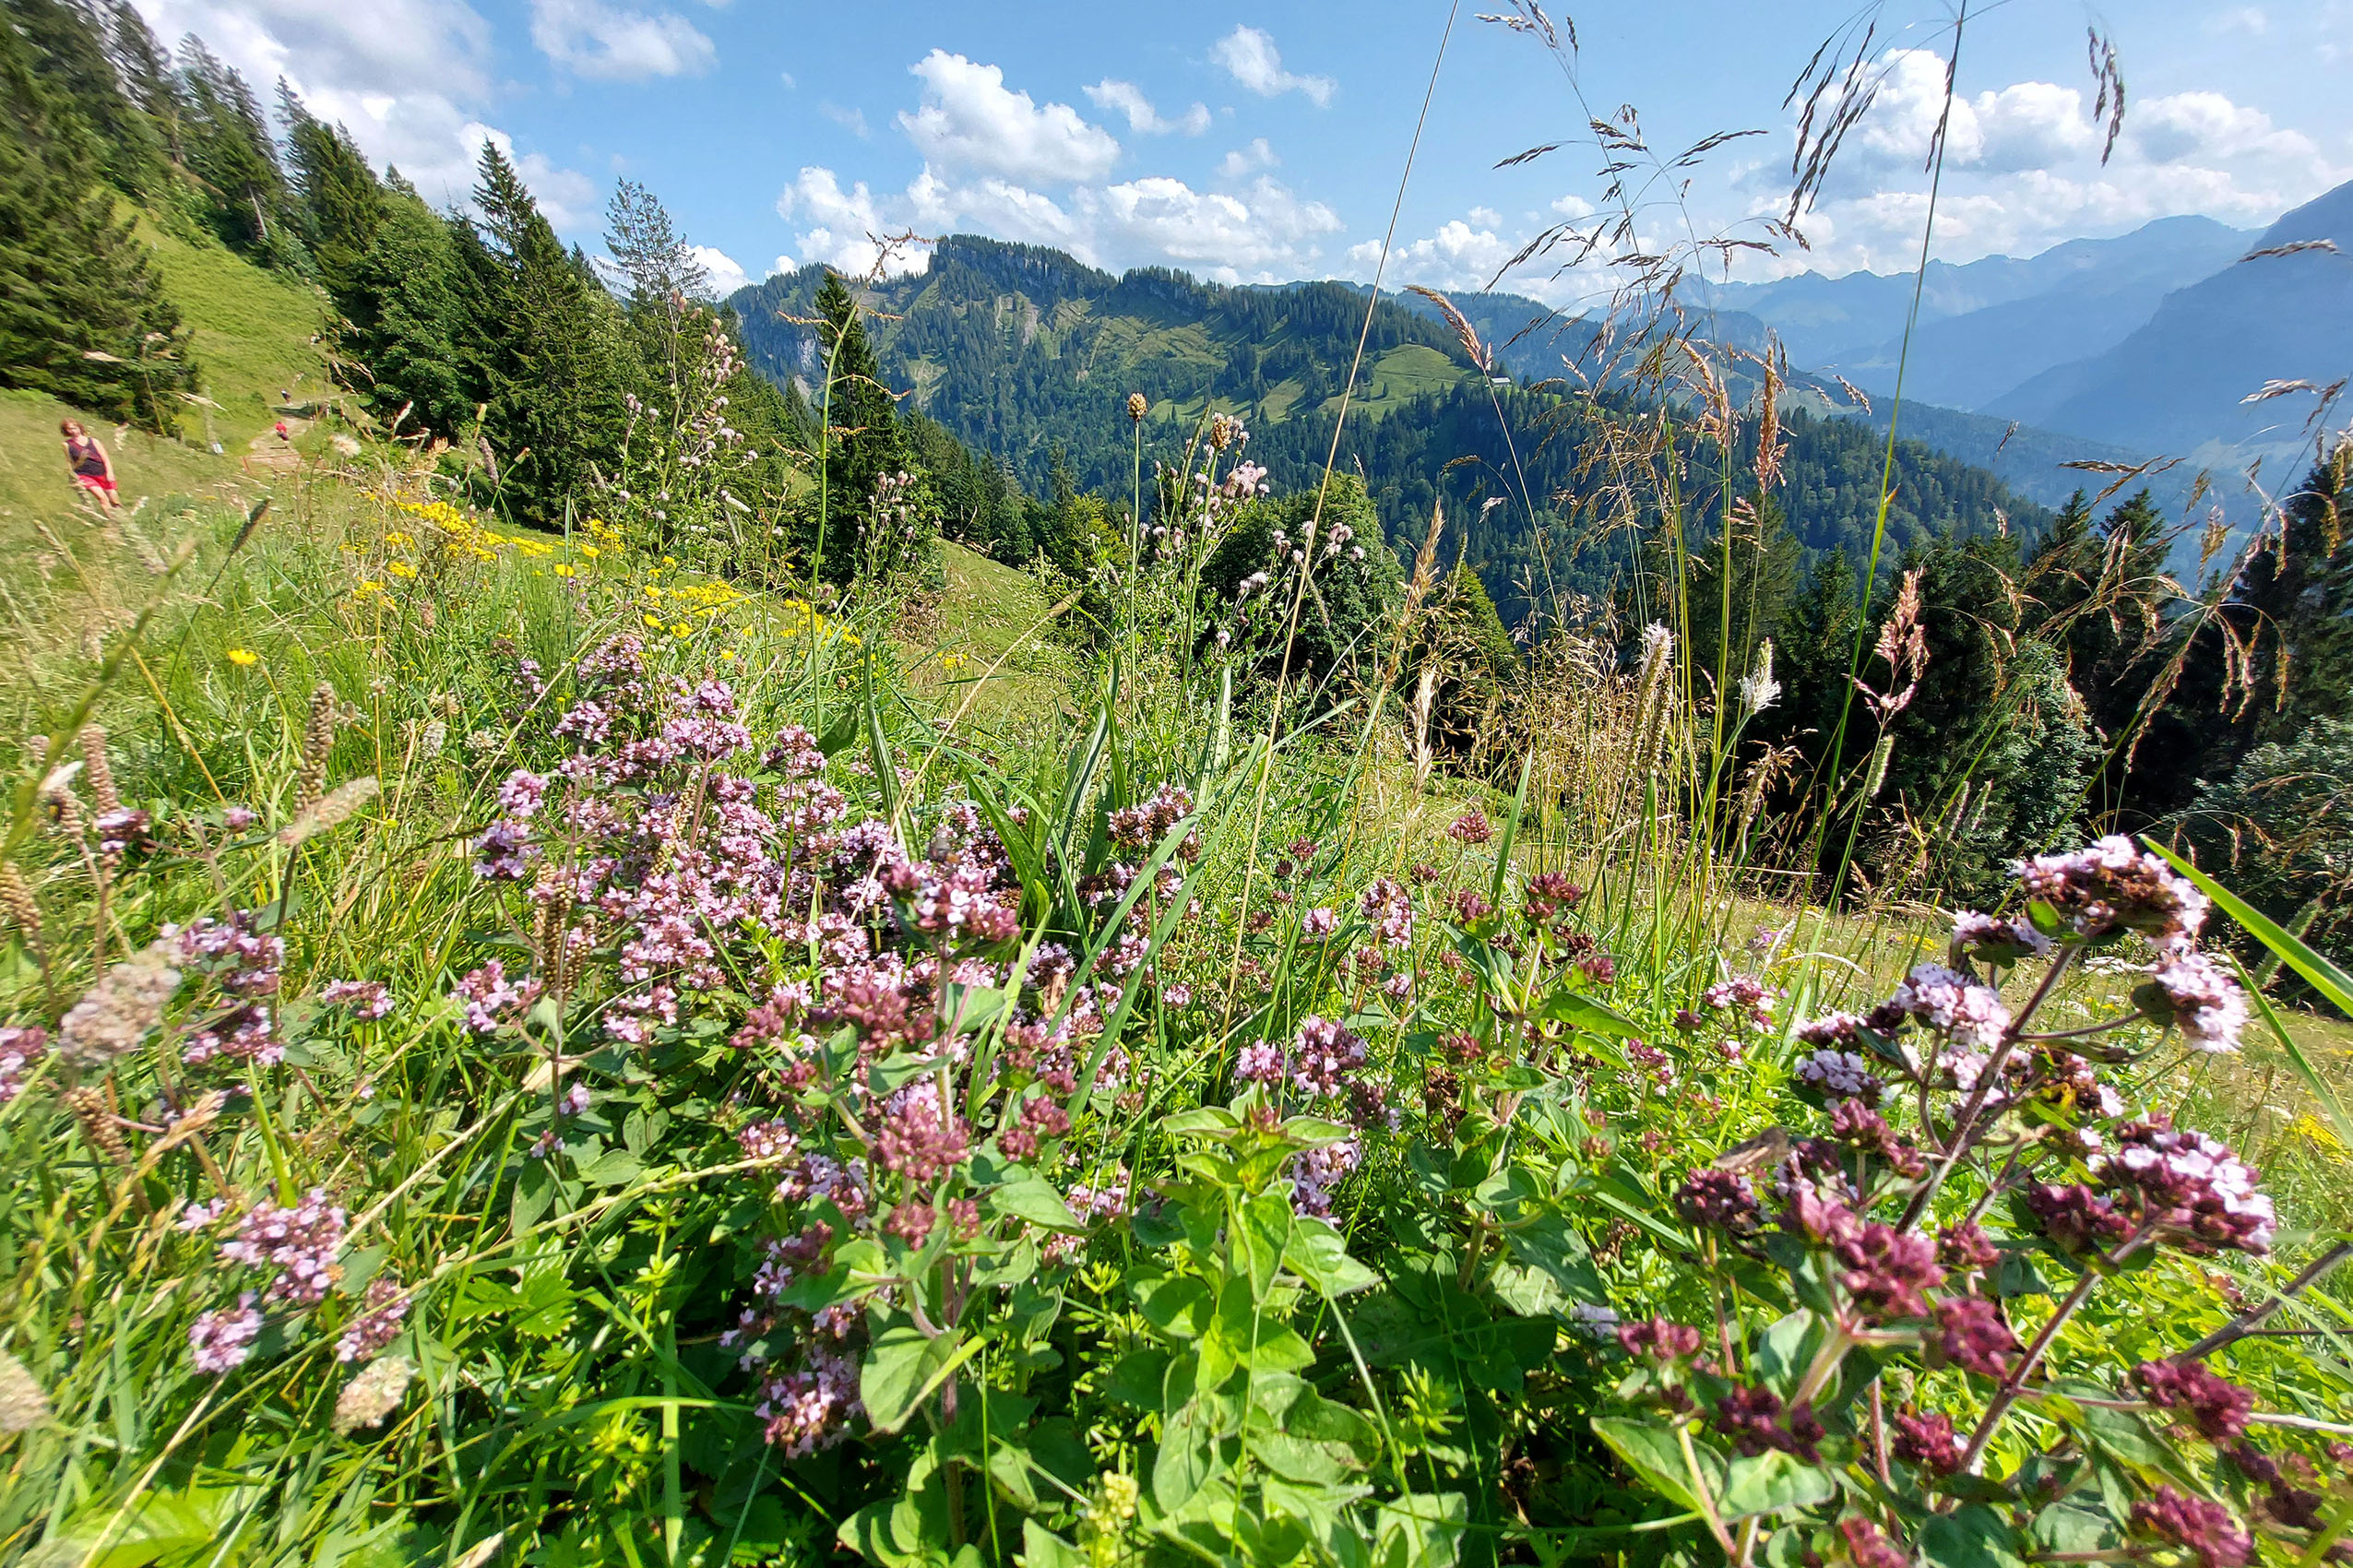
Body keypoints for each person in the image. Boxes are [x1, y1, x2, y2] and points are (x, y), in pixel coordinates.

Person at [60, 419, 121, 510]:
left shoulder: (94, 441)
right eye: (70, 429)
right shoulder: (67, 445)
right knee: (102, 498)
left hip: (101, 472)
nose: (73, 431)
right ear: (66, 430)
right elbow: (69, 464)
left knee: (114, 500)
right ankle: (111, 518)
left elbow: (106, 459)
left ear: (79, 427)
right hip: (84, 475)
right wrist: (74, 477)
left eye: (75, 428)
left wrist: (110, 473)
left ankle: (120, 516)